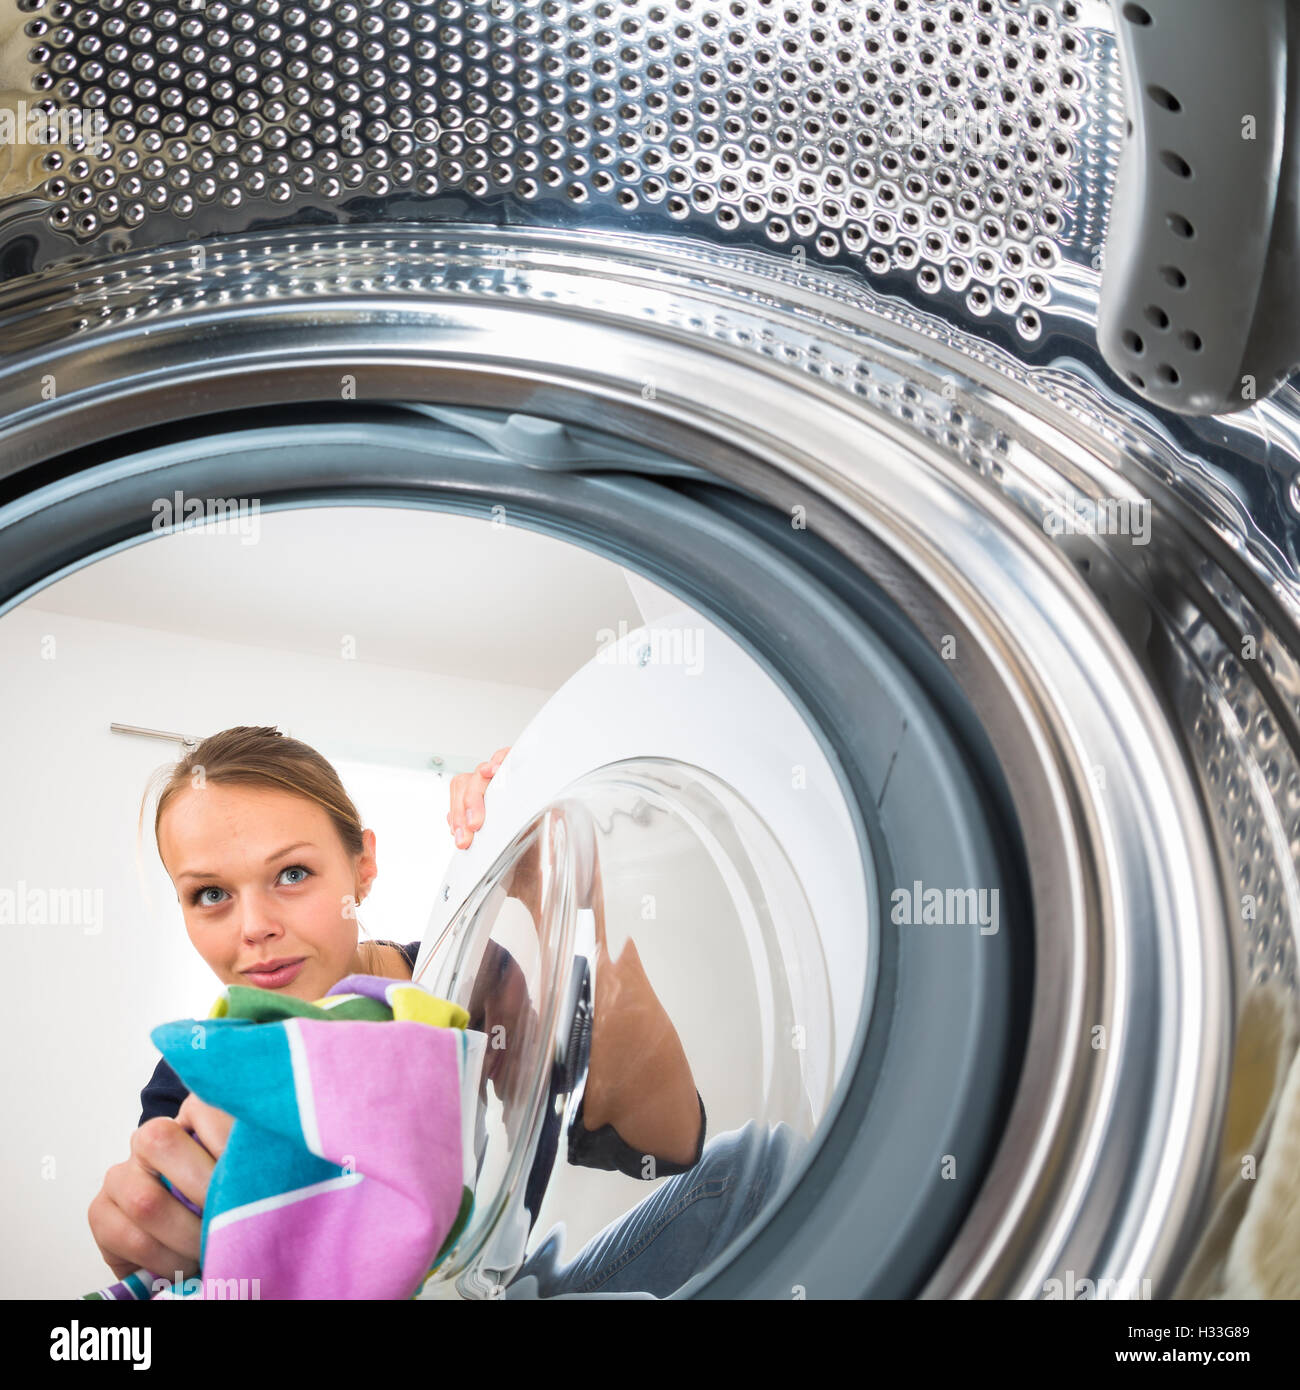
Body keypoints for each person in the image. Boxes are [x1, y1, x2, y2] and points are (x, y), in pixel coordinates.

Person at [86, 725, 797, 1297]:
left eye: (293, 874)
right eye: (210, 894)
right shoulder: (204, 1072)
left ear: (362, 866)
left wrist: (577, 880)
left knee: (753, 1165)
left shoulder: (468, 976)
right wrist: (159, 1238)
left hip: (505, 1286)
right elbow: (169, 1257)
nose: (254, 925)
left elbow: (664, 1146)